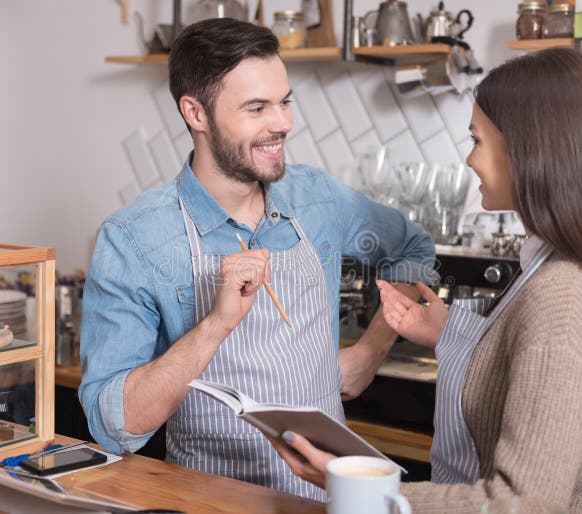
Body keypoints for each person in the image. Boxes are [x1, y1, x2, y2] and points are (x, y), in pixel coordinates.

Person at [267, 47, 582, 513]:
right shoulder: (560, 269)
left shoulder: (564, 295)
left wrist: (353, 491)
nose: (470, 160)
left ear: (527, 148)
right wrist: (449, 331)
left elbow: (523, 503)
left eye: (477, 140)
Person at [78, 18, 437, 501]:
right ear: (195, 113)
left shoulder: (317, 200)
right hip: (210, 502)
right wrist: (215, 325)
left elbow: (413, 249)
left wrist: (371, 353)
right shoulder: (135, 239)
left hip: (325, 503)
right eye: (257, 108)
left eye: (285, 101)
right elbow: (114, 427)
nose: (282, 123)